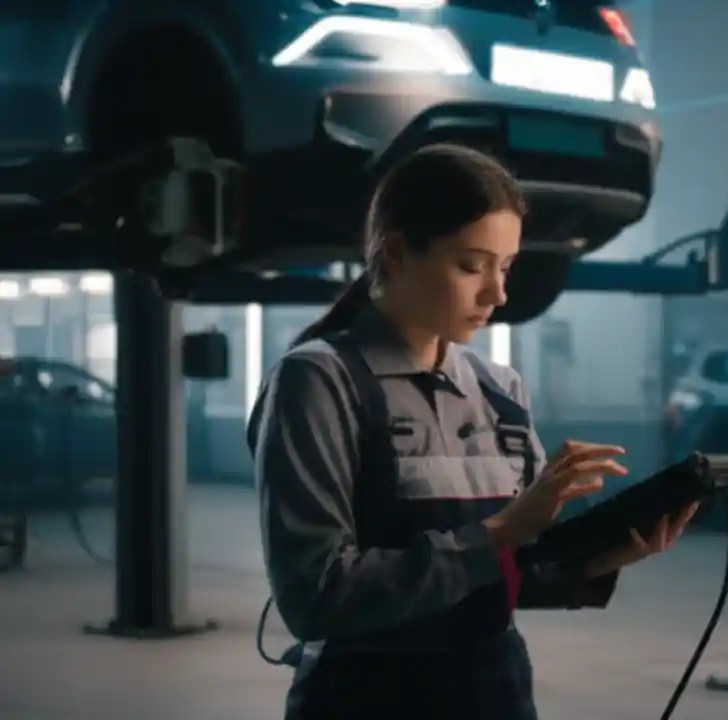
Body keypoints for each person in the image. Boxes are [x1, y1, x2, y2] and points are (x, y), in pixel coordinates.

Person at [247, 144, 700, 720]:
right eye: (471, 265)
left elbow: (508, 578)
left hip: (497, 693)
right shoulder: (318, 381)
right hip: (364, 699)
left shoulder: (501, 391)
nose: (498, 294)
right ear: (397, 253)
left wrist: (597, 557)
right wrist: (497, 532)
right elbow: (315, 598)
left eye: (505, 267)